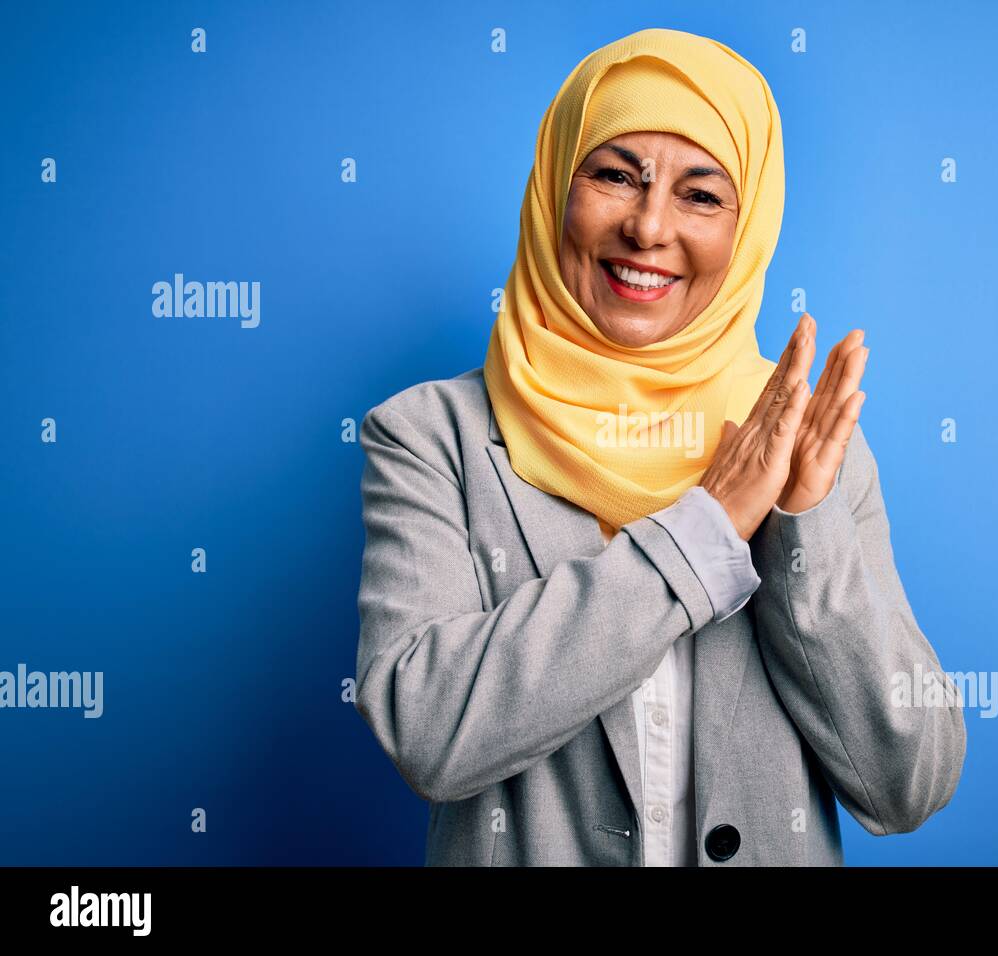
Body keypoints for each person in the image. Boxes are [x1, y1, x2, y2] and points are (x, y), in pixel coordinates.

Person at [353, 27, 966, 866]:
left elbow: (908, 787)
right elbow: (431, 732)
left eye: (701, 195)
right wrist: (703, 530)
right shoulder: (431, 437)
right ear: (552, 188)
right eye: (613, 175)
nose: (647, 227)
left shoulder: (800, 446)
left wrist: (803, 526)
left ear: (747, 230)